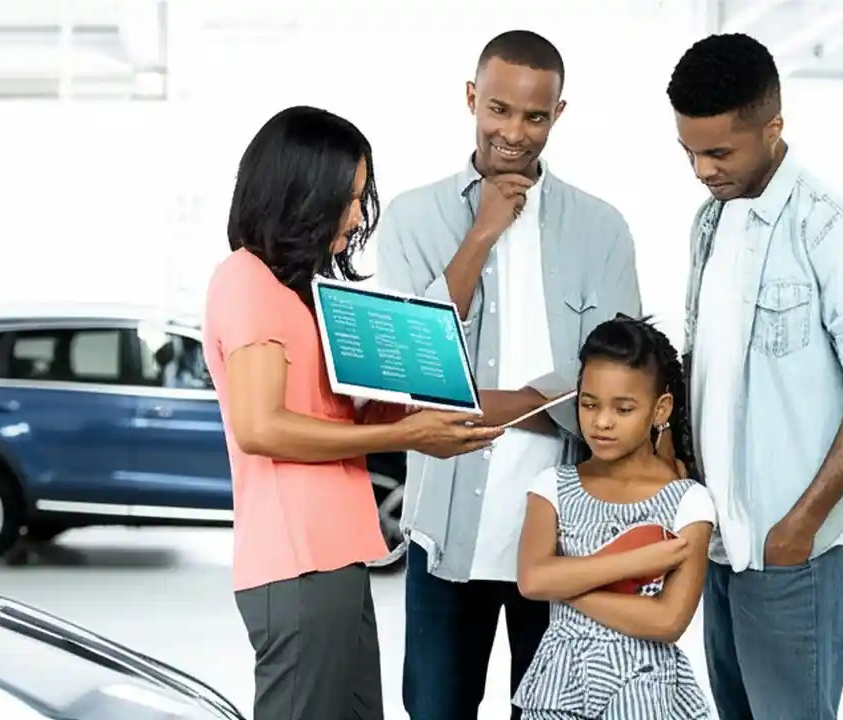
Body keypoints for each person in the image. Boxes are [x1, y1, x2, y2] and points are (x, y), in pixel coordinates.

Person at [375, 30, 643, 720]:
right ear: (472, 98)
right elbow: (410, 368)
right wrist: (481, 234)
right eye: (498, 109)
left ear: (559, 113)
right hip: (444, 538)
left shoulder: (602, 229)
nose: (515, 133)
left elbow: (620, 384)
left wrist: (489, 404)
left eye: (534, 116)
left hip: (566, 541)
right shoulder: (413, 218)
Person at [203, 105, 504, 720]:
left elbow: (331, 423)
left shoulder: (298, 292)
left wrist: (407, 406)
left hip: (334, 557)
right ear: (300, 194)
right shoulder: (246, 281)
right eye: (347, 198)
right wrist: (405, 433)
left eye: (360, 198)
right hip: (296, 563)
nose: (356, 216)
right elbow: (260, 428)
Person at [666, 34, 843, 719]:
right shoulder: (708, 222)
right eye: (689, 152)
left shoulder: (834, 229)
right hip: (720, 545)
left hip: (790, 548)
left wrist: (800, 524)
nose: (702, 170)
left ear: (773, 128)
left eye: (719, 153)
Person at [514, 315, 714, 720]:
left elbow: (668, 620)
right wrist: (638, 561)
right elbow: (532, 580)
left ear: (660, 409)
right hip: (559, 690)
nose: (602, 421)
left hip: (643, 692)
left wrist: (565, 585)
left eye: (623, 409)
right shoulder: (552, 487)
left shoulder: (688, 502)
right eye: (589, 404)